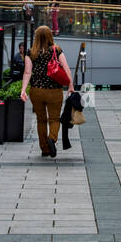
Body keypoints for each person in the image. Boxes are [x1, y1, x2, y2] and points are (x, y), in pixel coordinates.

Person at [21, 24, 73, 159]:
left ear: (36, 37)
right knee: (54, 118)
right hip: (54, 90)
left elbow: (27, 72)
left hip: (36, 91)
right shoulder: (56, 50)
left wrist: (23, 90)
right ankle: (52, 138)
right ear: (50, 35)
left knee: (41, 119)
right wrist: (71, 85)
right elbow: (66, 68)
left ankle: (44, 148)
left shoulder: (30, 52)